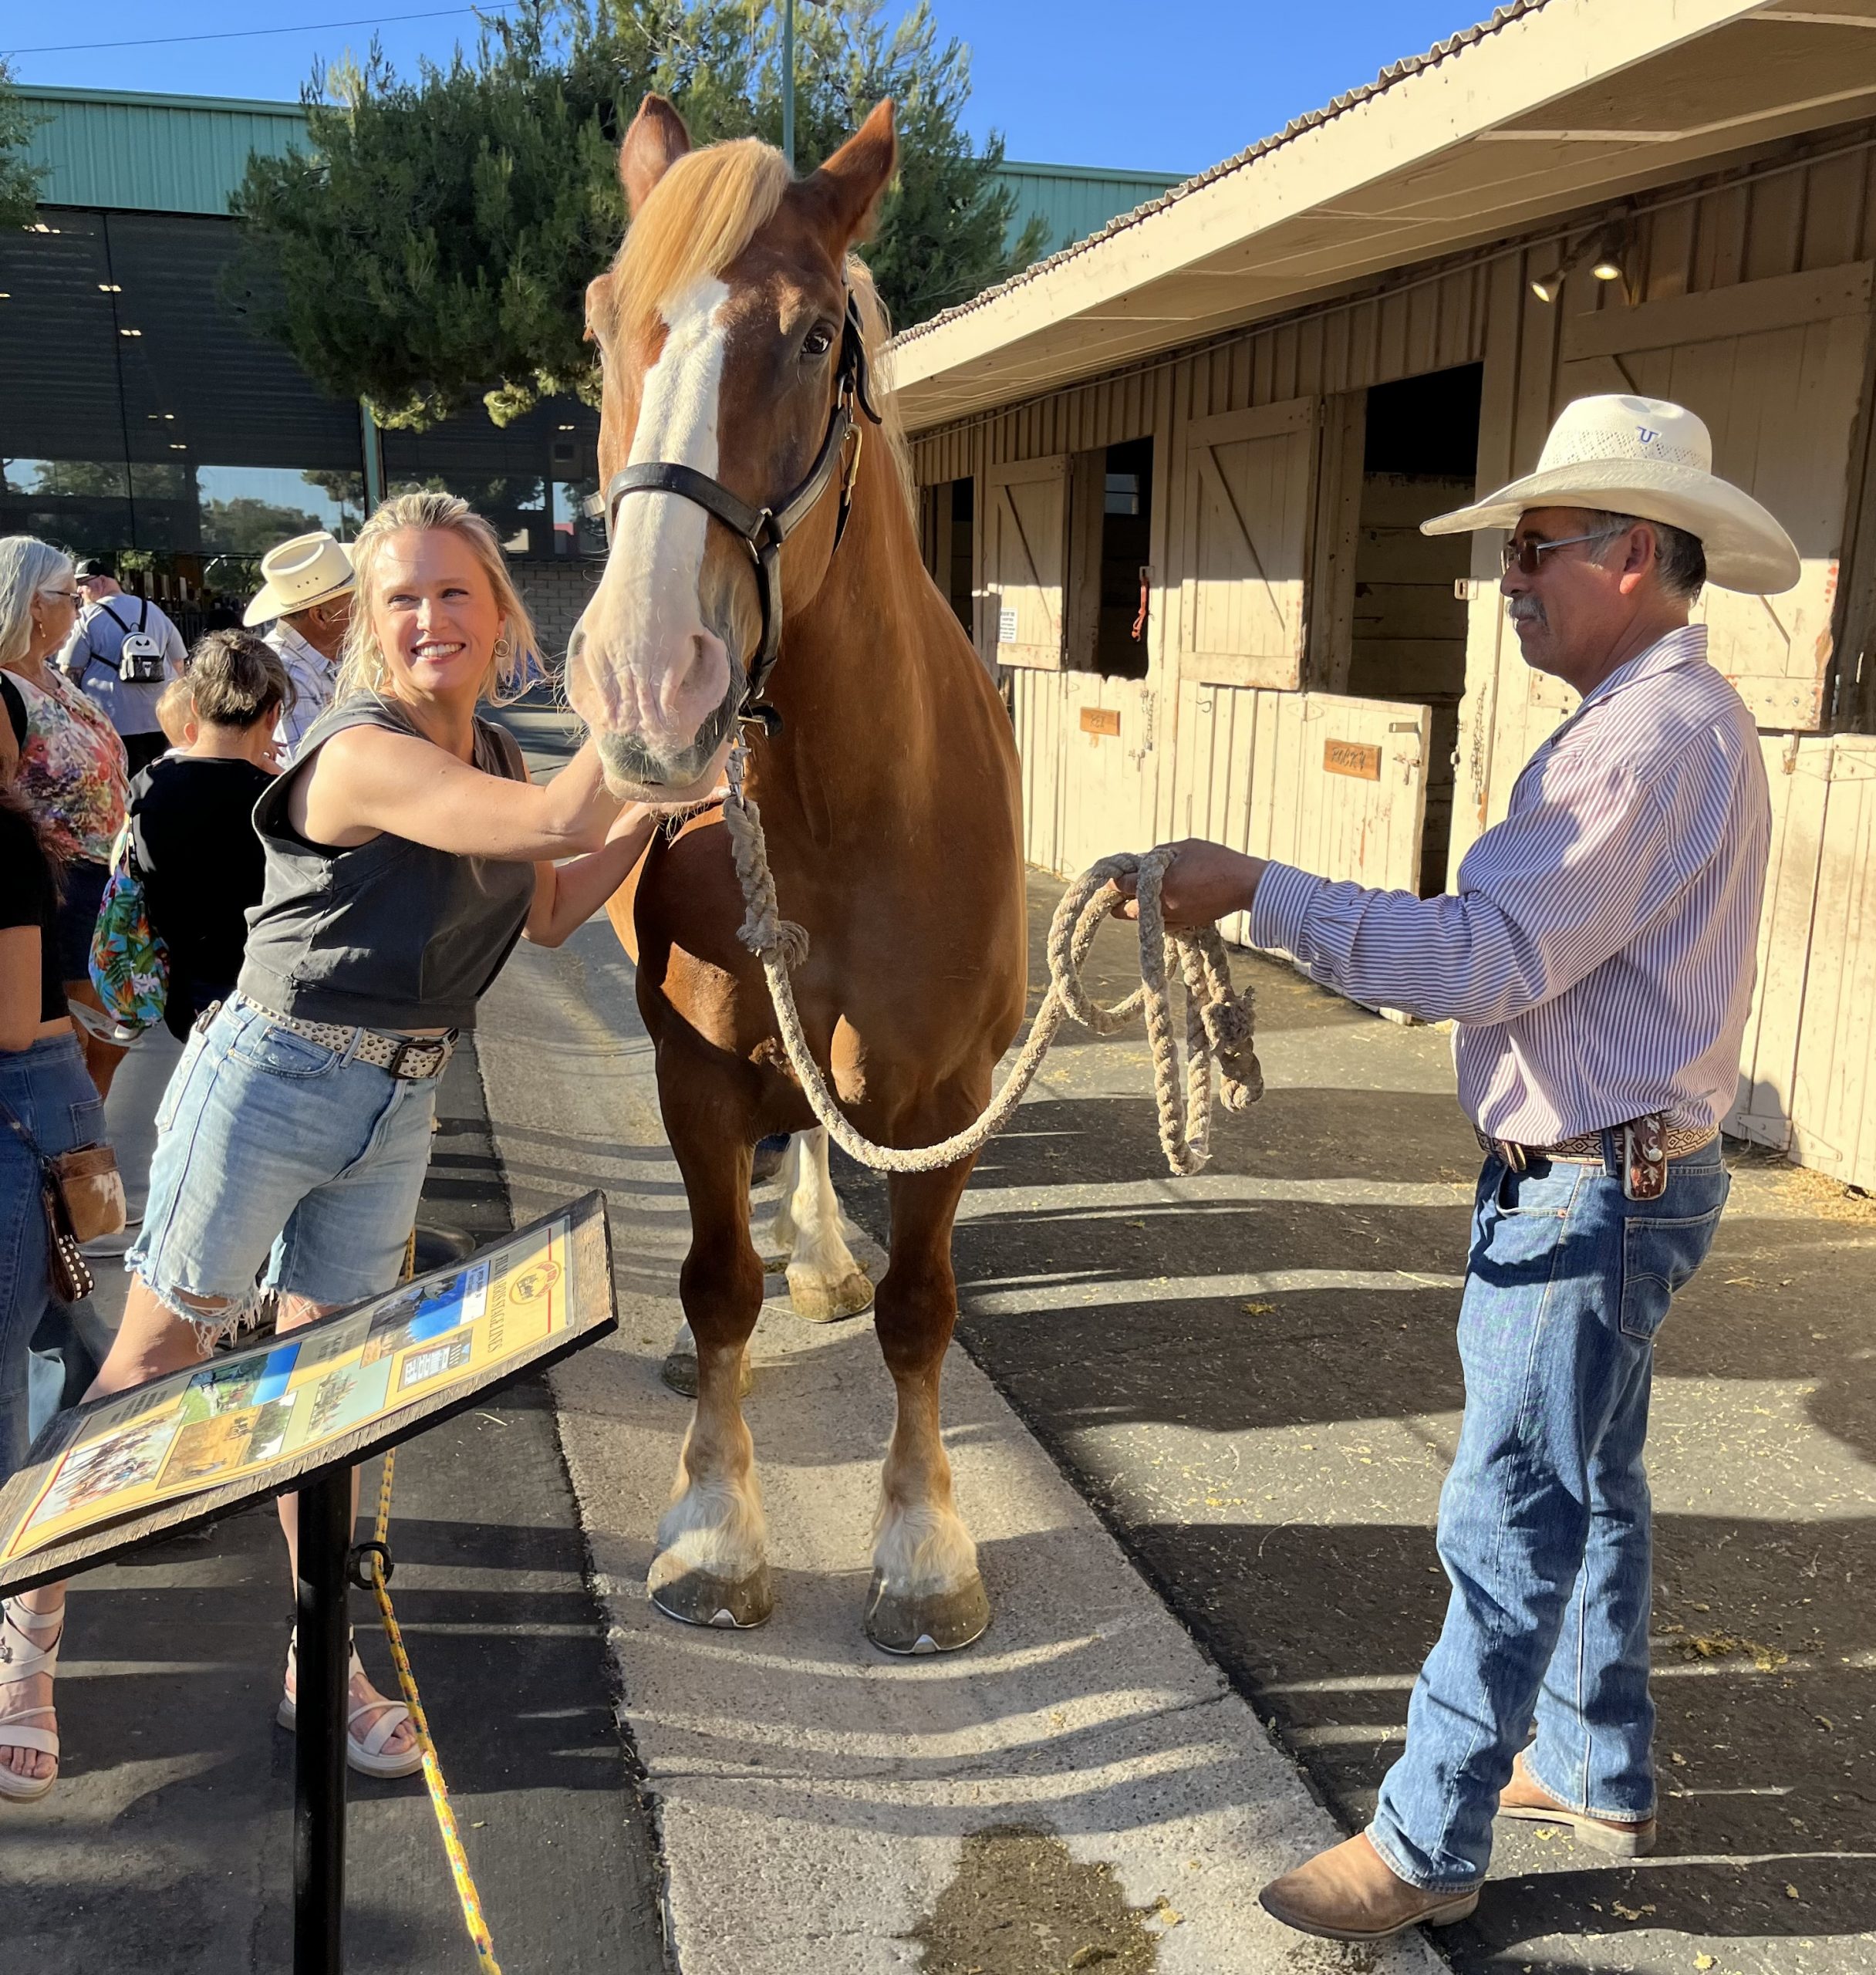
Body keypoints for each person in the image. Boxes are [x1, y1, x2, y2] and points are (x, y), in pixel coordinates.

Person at [1116, 396, 1790, 1943]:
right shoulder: (1657, 722)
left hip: (1590, 1185)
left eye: (1536, 547)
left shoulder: (1644, 741)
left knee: (1506, 1509)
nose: (1510, 575)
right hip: (1619, 1172)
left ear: (1633, 554)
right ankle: (1593, 1761)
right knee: (1587, 1483)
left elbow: (1479, 956)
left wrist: (1255, 888)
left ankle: (1428, 1837)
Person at [0, 490, 665, 1798]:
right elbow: (552, 826)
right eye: (401, 596)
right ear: (369, 619)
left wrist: (654, 813)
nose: (429, 617)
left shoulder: (500, 756)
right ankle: (27, 1631)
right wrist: (661, 702)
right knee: (151, 1365)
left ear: (498, 613)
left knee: (332, 1393)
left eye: (454, 591)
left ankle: (324, 1661)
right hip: (273, 1077)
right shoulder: (357, 748)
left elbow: (546, 909)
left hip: (401, 1096)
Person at [0, 668, 104, 1802]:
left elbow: (12, 1019)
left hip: (17, 1113)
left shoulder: (3, 843)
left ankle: (24, 1650)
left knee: (12, 1384)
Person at [0, 538, 132, 1099]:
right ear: (33, 603)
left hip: (103, 884)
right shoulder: (5, 688)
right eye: (68, 597)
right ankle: (75, 1149)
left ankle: (86, 1142)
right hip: (60, 892)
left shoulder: (54, 678)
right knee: (75, 1051)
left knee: (106, 1040)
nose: (78, 608)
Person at [129, 632, 289, 1040]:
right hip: (263, 991)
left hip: (184, 988)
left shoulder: (148, 784)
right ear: (273, 715)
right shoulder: (277, 799)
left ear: (197, 707)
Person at [60, 558, 187, 776]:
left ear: (101, 581)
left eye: (83, 583)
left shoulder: (87, 617)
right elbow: (178, 663)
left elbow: (70, 670)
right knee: (158, 779)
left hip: (111, 722)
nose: (79, 591)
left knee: (122, 784)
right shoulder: (154, 611)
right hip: (159, 720)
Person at [246, 530, 356, 758]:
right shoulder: (287, 674)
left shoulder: (331, 654)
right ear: (322, 617)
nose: (364, 611)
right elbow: (305, 765)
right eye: (356, 603)